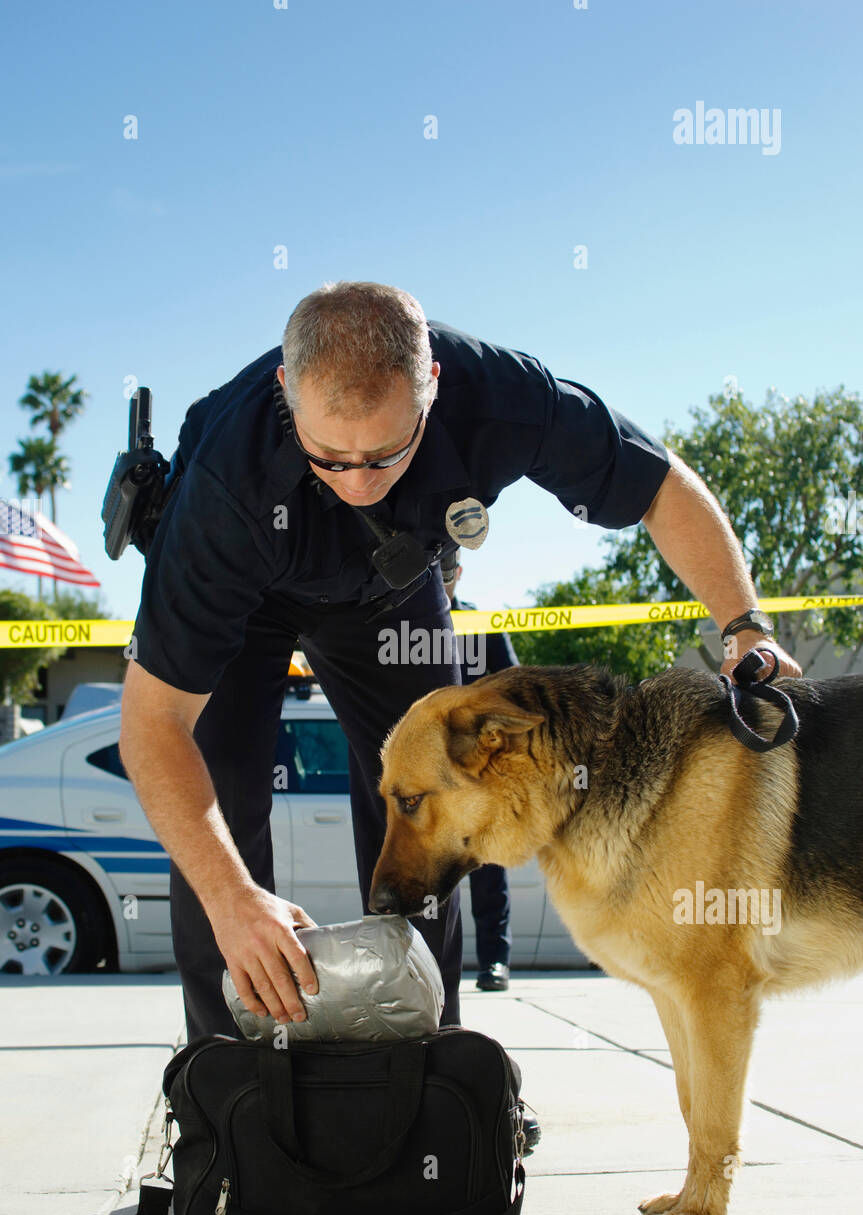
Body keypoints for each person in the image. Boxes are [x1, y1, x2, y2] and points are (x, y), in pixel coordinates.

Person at [118, 280, 801, 1044]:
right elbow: (150, 725)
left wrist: (744, 626)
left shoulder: (501, 395)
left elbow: (659, 487)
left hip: (385, 590)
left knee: (433, 790)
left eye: (384, 452)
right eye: (329, 458)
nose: (356, 481)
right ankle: (226, 1090)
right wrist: (231, 898)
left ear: (432, 388)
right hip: (244, 596)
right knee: (221, 807)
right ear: (286, 392)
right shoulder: (222, 489)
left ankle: (432, 1072)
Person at [444, 551, 518, 991]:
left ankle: (494, 962)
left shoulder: (482, 623)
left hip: (481, 774)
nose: (443, 578)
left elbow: (515, 689)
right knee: (430, 871)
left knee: (489, 869)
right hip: (430, 777)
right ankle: (430, 966)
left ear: (460, 573)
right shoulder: (402, 625)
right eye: (436, 571)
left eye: (449, 571)